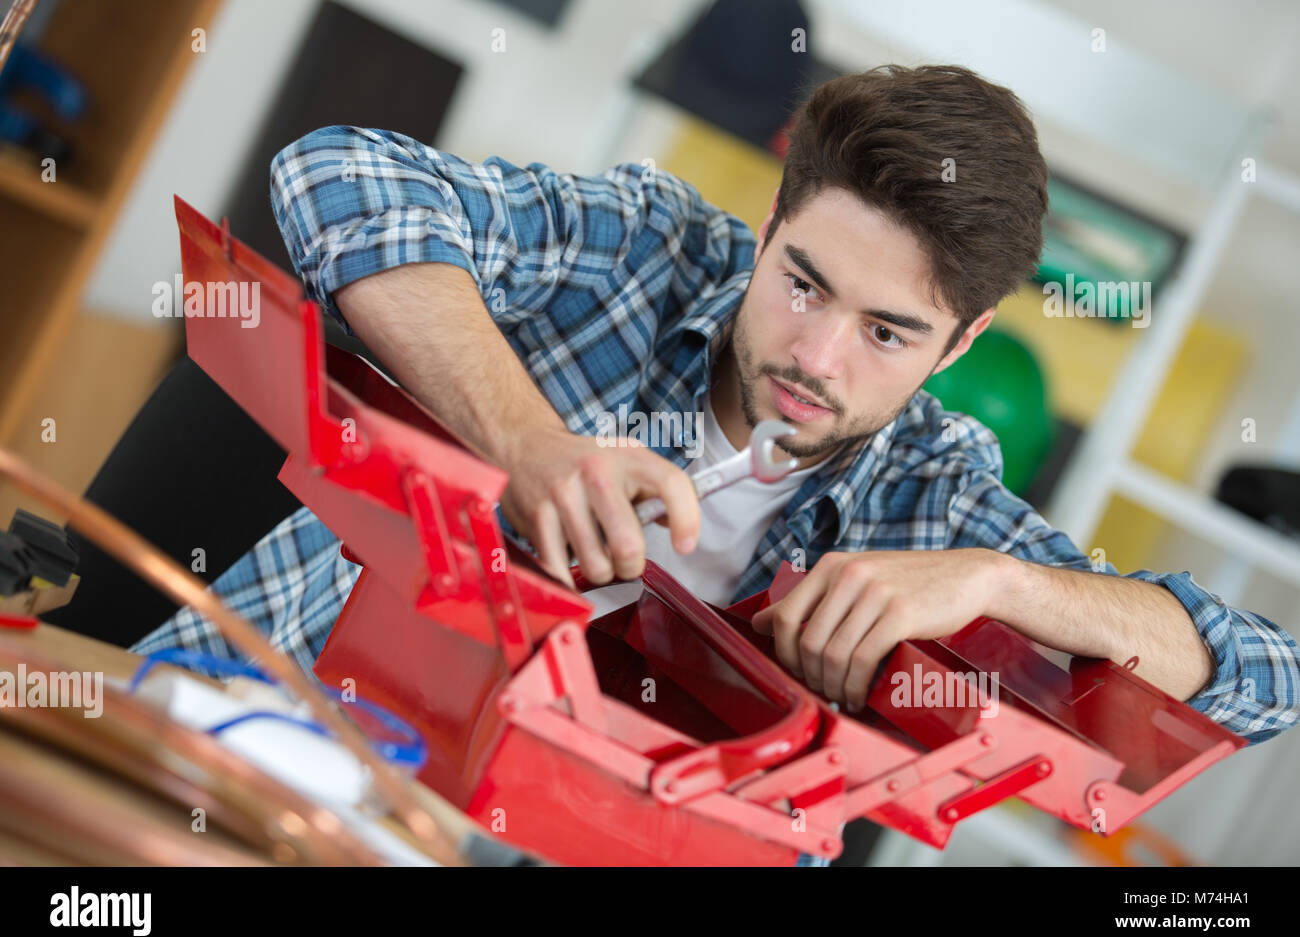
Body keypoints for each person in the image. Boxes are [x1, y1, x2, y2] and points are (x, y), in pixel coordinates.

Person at [135, 65, 1298, 817]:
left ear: (959, 345)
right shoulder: (646, 245)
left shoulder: (934, 491)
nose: (816, 356)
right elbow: (336, 172)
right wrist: (530, 442)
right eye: (801, 281)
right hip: (257, 726)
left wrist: (994, 576)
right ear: (769, 224)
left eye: (887, 331)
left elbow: (1267, 677)